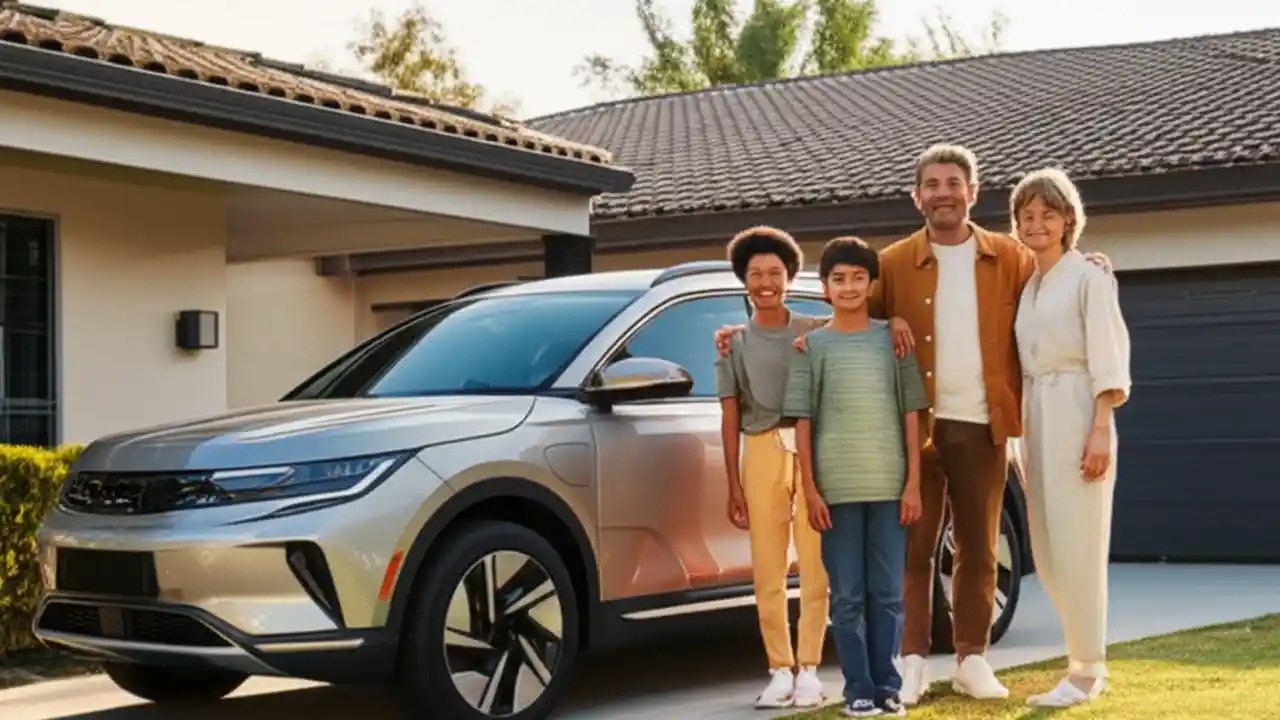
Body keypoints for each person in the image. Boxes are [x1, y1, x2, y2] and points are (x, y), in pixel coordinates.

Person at [716, 144, 1112, 706]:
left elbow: (1056, 273)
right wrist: (745, 331)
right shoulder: (895, 262)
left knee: (979, 545)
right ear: (916, 195)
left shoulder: (1010, 256)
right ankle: (912, 660)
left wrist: (1091, 261)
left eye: (954, 182)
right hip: (913, 427)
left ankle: (973, 658)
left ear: (972, 192)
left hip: (983, 424)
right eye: (932, 183)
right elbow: (845, 313)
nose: (944, 192)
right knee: (912, 548)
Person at [783, 236, 930, 718]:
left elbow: (911, 413)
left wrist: (912, 483)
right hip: (836, 493)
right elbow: (803, 422)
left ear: (872, 284)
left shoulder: (895, 341)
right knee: (847, 595)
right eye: (838, 279)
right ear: (824, 288)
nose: (849, 287)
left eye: (858, 278)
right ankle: (858, 689)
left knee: (887, 592)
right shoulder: (811, 347)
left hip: (890, 488)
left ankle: (888, 686)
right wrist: (810, 488)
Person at [1009, 168, 1132, 708]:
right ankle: (1076, 657)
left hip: (1081, 411)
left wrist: (1100, 428)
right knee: (1049, 545)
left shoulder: (1090, 277)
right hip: (1038, 415)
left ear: (1067, 221)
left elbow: (1108, 354)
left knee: (1080, 542)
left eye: (1047, 215)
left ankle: (1087, 669)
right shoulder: (1029, 283)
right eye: (1026, 216)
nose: (1037, 224)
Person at [714, 225, 830, 709]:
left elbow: (866, 317)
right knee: (768, 568)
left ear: (789, 277)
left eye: (775, 273)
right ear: (744, 280)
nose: (766, 282)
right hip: (759, 450)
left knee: (817, 565)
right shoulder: (732, 343)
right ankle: (778, 669)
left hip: (812, 448)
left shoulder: (813, 331)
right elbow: (729, 413)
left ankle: (810, 669)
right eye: (756, 273)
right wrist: (732, 485)